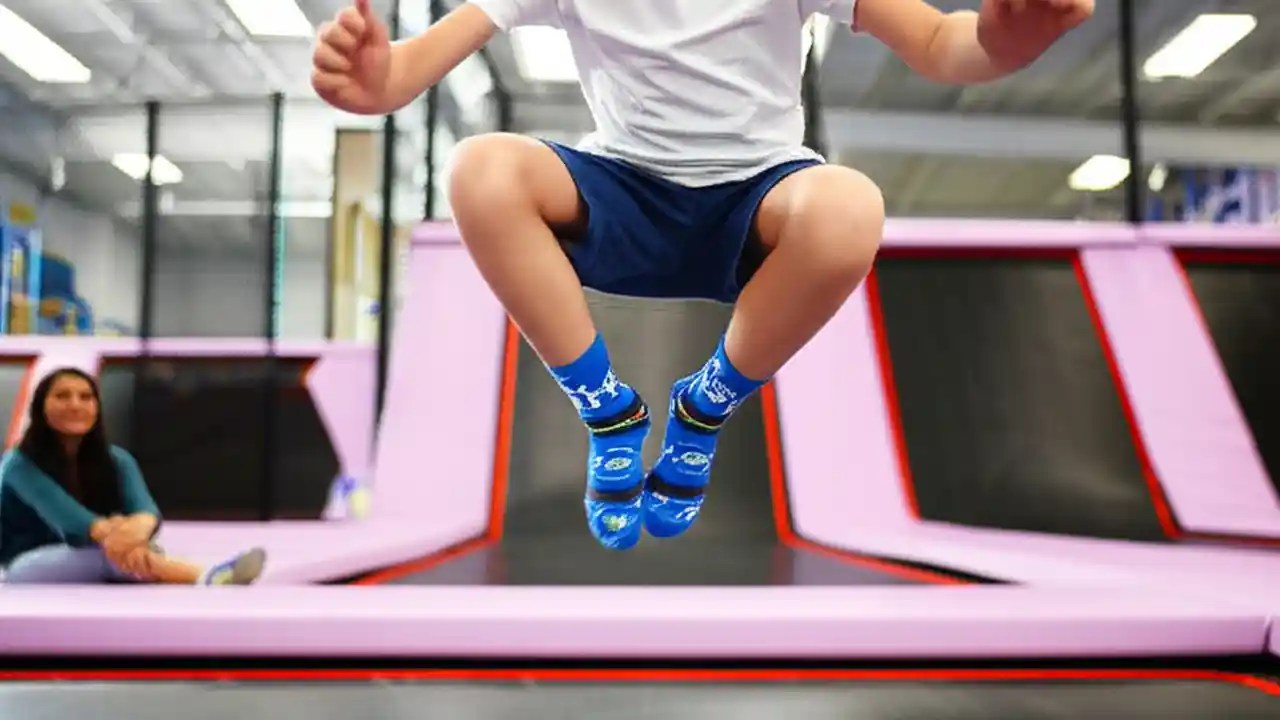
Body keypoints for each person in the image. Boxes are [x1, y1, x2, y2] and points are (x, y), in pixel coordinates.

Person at [312, 0, 1093, 550]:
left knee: (849, 205)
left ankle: (705, 405)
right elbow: (408, 73)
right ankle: (608, 411)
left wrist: (1004, 41)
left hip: (753, 207)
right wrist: (377, 80)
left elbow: (936, 41)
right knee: (479, 170)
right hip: (623, 196)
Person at [0, 367, 266, 585]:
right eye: (62, 396)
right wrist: (119, 534)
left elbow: (146, 512)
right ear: (40, 407)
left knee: (130, 552)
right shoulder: (19, 465)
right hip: (24, 564)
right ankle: (205, 575)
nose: (75, 405)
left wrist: (133, 531)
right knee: (109, 555)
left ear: (97, 406)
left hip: (103, 548)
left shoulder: (118, 459)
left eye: (85, 397)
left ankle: (181, 568)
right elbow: (73, 521)